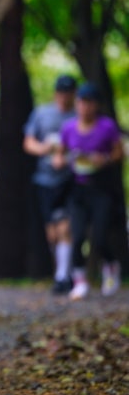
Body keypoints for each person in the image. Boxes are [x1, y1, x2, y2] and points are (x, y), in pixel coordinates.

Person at [53, 82, 124, 300]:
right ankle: (80, 281)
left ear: (96, 106)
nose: (84, 107)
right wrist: (62, 161)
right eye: (81, 102)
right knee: (77, 236)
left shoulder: (107, 126)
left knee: (100, 236)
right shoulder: (68, 128)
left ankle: (111, 267)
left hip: (101, 189)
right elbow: (59, 155)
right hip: (78, 189)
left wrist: (103, 160)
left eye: (89, 103)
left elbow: (119, 152)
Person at [23, 74, 77, 294]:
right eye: (61, 92)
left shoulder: (77, 116)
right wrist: (46, 149)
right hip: (45, 180)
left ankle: (64, 276)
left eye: (69, 93)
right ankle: (60, 271)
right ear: (56, 93)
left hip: (70, 179)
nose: (65, 97)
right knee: (52, 232)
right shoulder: (42, 114)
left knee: (66, 226)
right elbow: (28, 143)